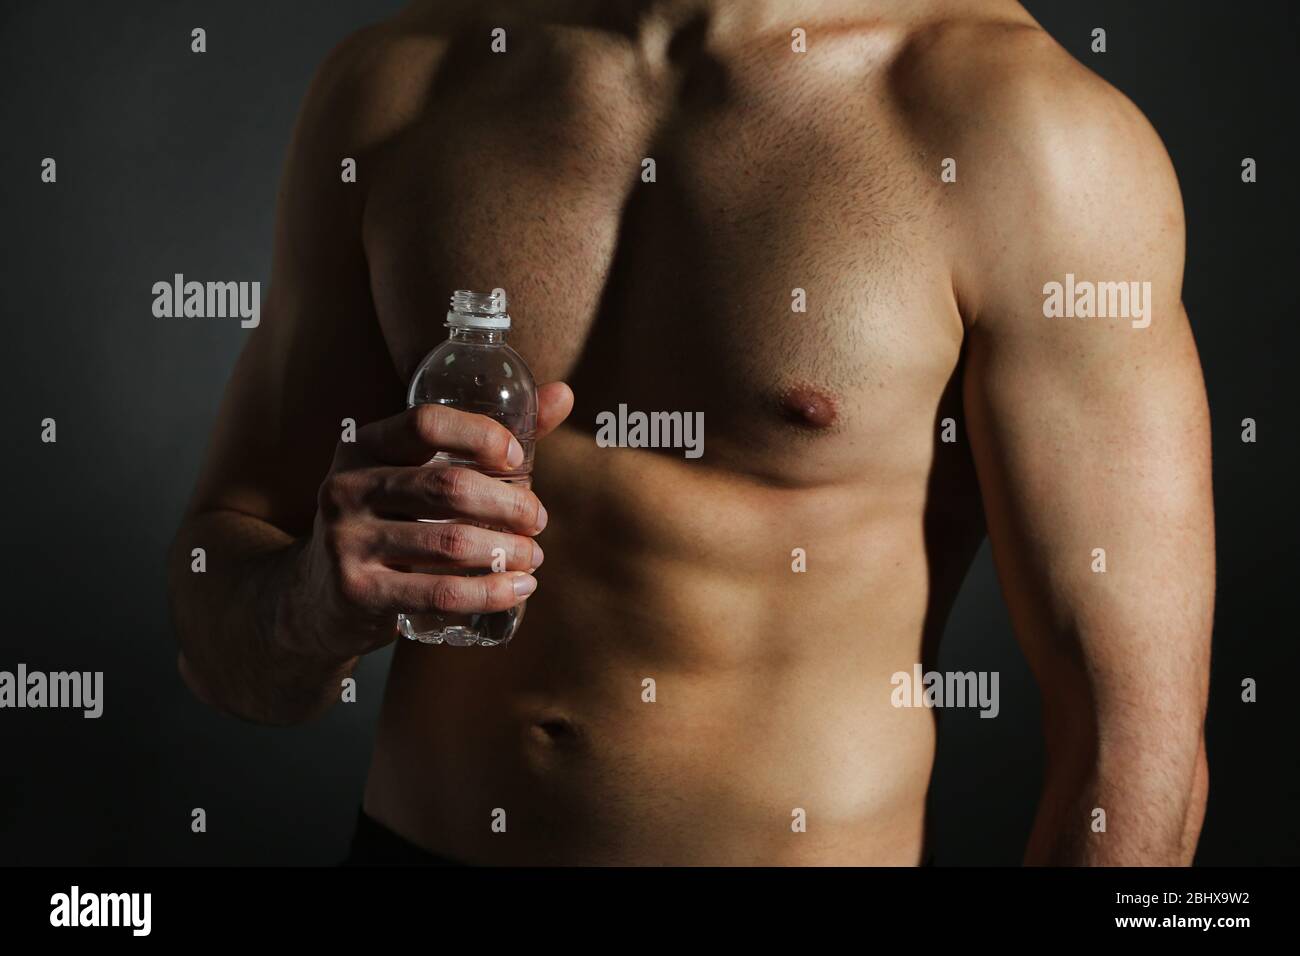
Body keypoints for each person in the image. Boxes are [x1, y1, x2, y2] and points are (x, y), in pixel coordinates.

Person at [168, 0, 1214, 865]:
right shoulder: (401, 85)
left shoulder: (1023, 130)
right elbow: (217, 603)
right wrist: (308, 602)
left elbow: (1133, 761)